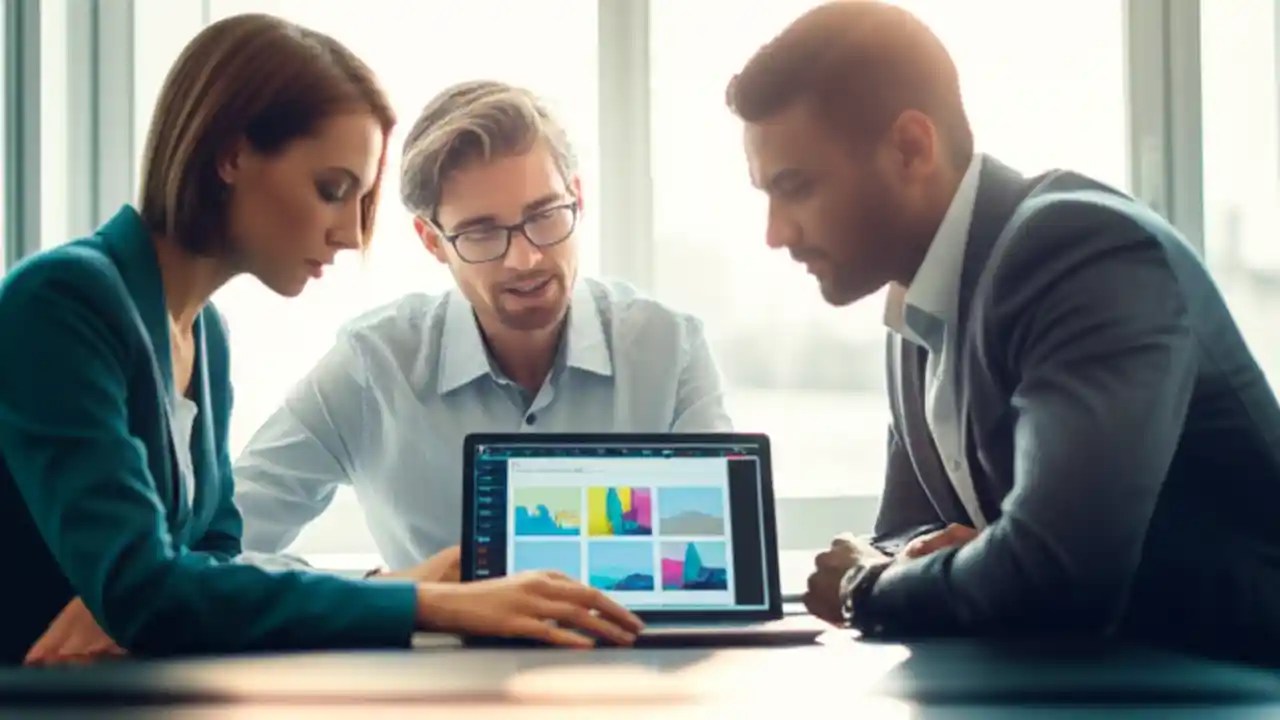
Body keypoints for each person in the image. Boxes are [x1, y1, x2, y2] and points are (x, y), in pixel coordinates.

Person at [0, 14, 642, 667]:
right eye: (332, 190)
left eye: (361, 200)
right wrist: (432, 601)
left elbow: (214, 558)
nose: (349, 234)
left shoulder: (204, 335)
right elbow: (142, 591)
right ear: (231, 154)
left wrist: (405, 588)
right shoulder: (62, 300)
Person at [727, 1, 1280, 663]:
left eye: (797, 187)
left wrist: (863, 586)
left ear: (910, 147)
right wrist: (977, 562)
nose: (774, 233)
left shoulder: (1079, 252)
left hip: (1226, 684)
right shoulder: (913, 307)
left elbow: (1052, 574)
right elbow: (907, 535)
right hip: (1070, 682)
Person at [231, 80, 731, 575]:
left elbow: (722, 562)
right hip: (438, 658)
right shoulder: (373, 366)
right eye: (482, 232)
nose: (526, 258)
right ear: (432, 241)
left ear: (576, 198)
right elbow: (215, 552)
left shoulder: (671, 351)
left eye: (546, 215)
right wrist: (389, 597)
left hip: (631, 654)